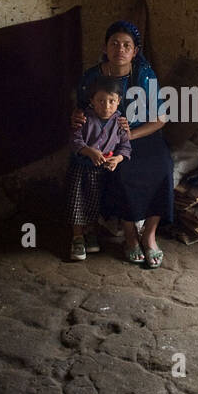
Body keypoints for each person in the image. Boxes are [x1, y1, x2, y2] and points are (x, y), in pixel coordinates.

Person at [73, 21, 174, 269]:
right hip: (105, 136)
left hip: (140, 134)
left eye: (126, 45)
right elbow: (80, 108)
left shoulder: (144, 75)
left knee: (163, 166)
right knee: (123, 171)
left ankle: (149, 235)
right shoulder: (93, 76)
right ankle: (130, 236)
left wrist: (131, 136)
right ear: (105, 48)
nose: (120, 49)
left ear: (135, 51)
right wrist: (75, 115)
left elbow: (160, 119)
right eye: (114, 44)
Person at [66, 77, 131, 261]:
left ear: (119, 100)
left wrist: (117, 159)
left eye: (111, 101)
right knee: (78, 201)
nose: (106, 106)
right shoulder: (84, 118)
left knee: (95, 203)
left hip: (103, 171)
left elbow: (125, 147)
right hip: (82, 168)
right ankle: (77, 237)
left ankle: (91, 233)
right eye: (101, 101)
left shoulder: (120, 123)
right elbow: (75, 140)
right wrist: (89, 151)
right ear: (92, 101)